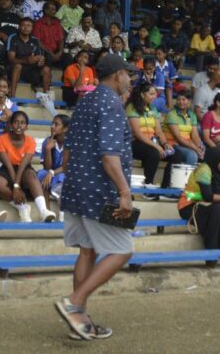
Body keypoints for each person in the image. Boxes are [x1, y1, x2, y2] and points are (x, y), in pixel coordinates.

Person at [56, 54, 136, 341]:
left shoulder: (86, 101)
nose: (130, 78)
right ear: (117, 75)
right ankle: (74, 302)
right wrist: (124, 193)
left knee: (87, 251)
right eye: (127, 73)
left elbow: (66, 154)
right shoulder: (112, 104)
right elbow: (109, 156)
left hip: (76, 187)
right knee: (122, 250)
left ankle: (80, 322)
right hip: (100, 192)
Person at [0, 111, 56, 223]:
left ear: (27, 126)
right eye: (16, 122)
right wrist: (16, 188)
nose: (19, 125)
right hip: (7, 167)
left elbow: (24, 165)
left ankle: (43, 210)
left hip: (23, 168)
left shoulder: (30, 141)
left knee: (31, 175)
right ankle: (22, 207)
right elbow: (8, 165)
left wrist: (16, 185)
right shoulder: (1, 139)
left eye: (22, 123)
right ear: (10, 124)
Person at [127, 83, 171, 187]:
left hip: (151, 142)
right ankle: (148, 184)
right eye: (151, 94)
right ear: (142, 95)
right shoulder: (132, 107)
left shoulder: (153, 109)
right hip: (134, 143)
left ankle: (165, 187)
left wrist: (165, 144)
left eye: (155, 94)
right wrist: (156, 146)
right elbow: (137, 133)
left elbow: (159, 131)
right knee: (154, 153)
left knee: (177, 155)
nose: (154, 96)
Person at [6, 17, 51, 99]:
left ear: (32, 28)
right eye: (23, 25)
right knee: (18, 66)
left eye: (28, 25)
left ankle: (46, 98)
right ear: (19, 27)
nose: (26, 28)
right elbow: (11, 59)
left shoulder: (35, 40)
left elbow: (39, 57)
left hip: (30, 70)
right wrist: (27, 60)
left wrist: (40, 61)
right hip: (14, 69)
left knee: (46, 69)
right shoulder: (13, 37)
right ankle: (12, 97)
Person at [38, 115, 69, 202]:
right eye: (52, 123)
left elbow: (65, 167)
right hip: (50, 174)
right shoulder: (47, 141)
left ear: (65, 129)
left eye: (56, 124)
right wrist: (48, 149)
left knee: (62, 177)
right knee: (41, 174)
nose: (52, 126)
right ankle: (47, 211)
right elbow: (47, 168)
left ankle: (62, 212)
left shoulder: (70, 143)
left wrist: (52, 173)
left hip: (64, 174)